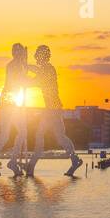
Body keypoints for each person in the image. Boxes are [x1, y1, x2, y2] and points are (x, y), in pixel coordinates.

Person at [24, 45, 83, 178]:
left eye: (38, 56)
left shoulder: (48, 69)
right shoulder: (46, 68)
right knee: (54, 136)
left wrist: (25, 70)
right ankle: (74, 160)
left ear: (43, 56)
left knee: (51, 136)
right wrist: (26, 68)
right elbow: (36, 75)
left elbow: (36, 81)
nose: (36, 58)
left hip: (53, 108)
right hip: (51, 108)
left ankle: (32, 166)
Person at [0, 43, 31, 178]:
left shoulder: (18, 66)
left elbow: (22, 81)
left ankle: (10, 162)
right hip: (9, 101)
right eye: (18, 52)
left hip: (11, 101)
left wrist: (27, 71)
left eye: (21, 53)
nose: (20, 55)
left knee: (19, 132)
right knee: (8, 135)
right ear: (16, 54)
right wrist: (31, 75)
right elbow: (21, 81)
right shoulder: (14, 66)